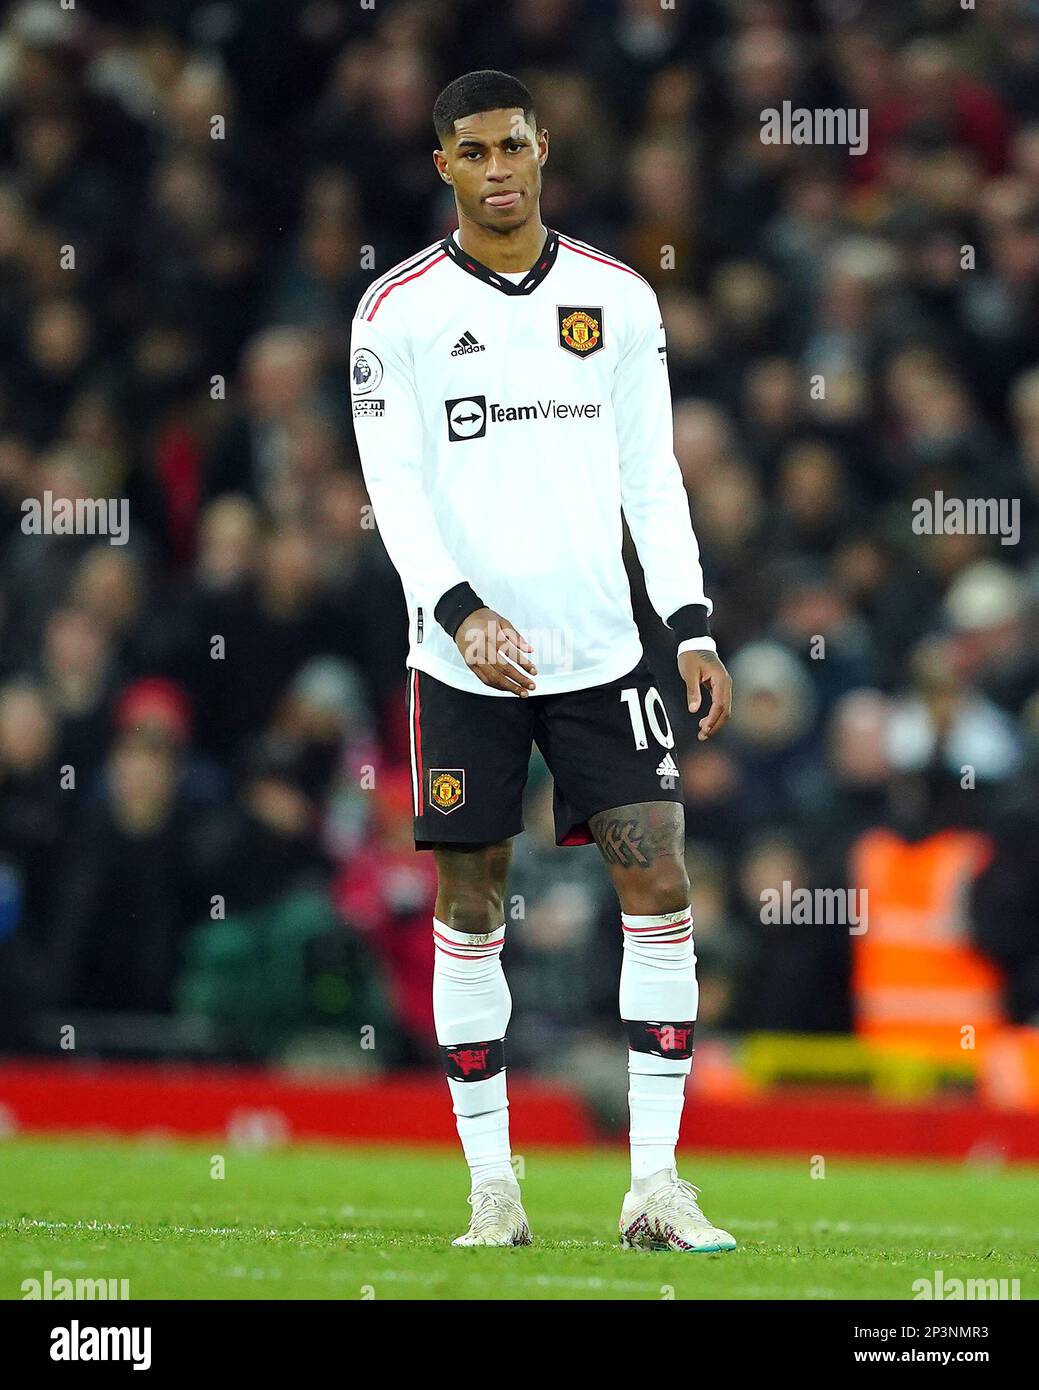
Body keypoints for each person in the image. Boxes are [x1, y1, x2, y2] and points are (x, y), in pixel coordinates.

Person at [350, 70, 735, 1252]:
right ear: (444, 168)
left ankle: (655, 1187)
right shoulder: (395, 311)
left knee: (660, 887)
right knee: (469, 908)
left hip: (604, 655)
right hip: (462, 668)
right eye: (474, 152)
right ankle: (493, 1191)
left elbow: (649, 473)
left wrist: (692, 620)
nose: (499, 167)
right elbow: (393, 489)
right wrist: (459, 611)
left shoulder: (615, 298)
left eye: (515, 145)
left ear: (545, 147)